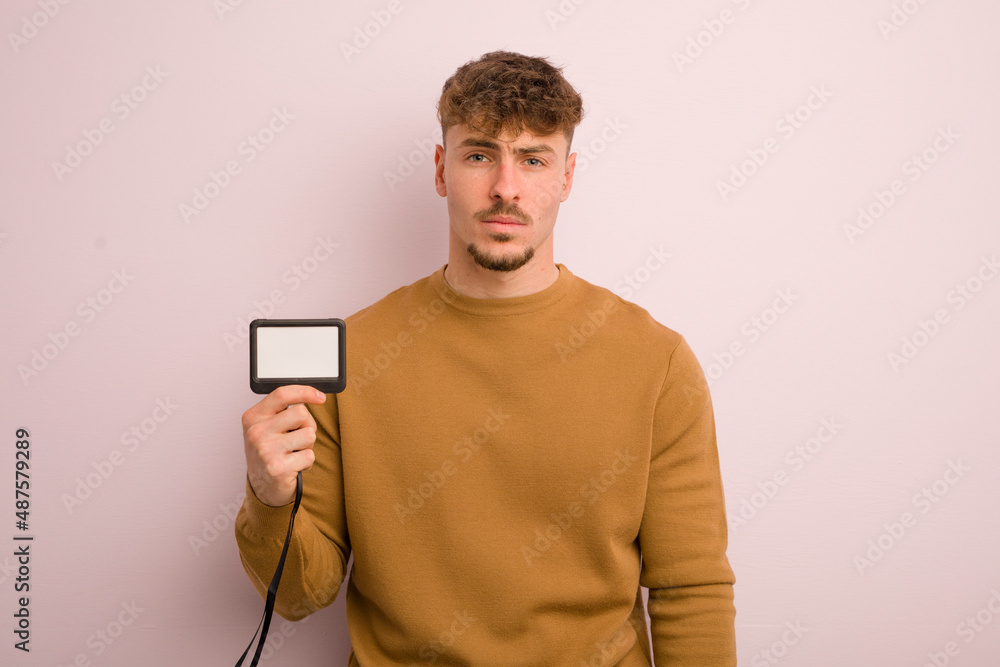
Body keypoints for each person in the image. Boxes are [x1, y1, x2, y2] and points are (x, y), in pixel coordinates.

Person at [236, 50, 736, 666]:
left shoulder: (655, 361)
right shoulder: (355, 353)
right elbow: (299, 596)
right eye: (479, 155)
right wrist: (270, 498)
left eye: (533, 159)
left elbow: (691, 588)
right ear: (441, 169)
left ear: (567, 178)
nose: (506, 187)